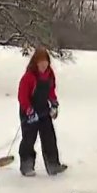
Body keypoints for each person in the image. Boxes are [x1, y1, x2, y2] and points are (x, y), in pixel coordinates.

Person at [17, 47, 68, 176]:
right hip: (28, 110)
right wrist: (29, 111)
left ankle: (53, 165)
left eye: (46, 62)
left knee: (49, 138)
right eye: (41, 62)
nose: (43, 65)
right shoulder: (28, 77)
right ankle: (27, 165)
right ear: (35, 63)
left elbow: (51, 91)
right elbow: (22, 96)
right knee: (29, 138)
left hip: (43, 110)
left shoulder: (50, 75)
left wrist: (54, 104)